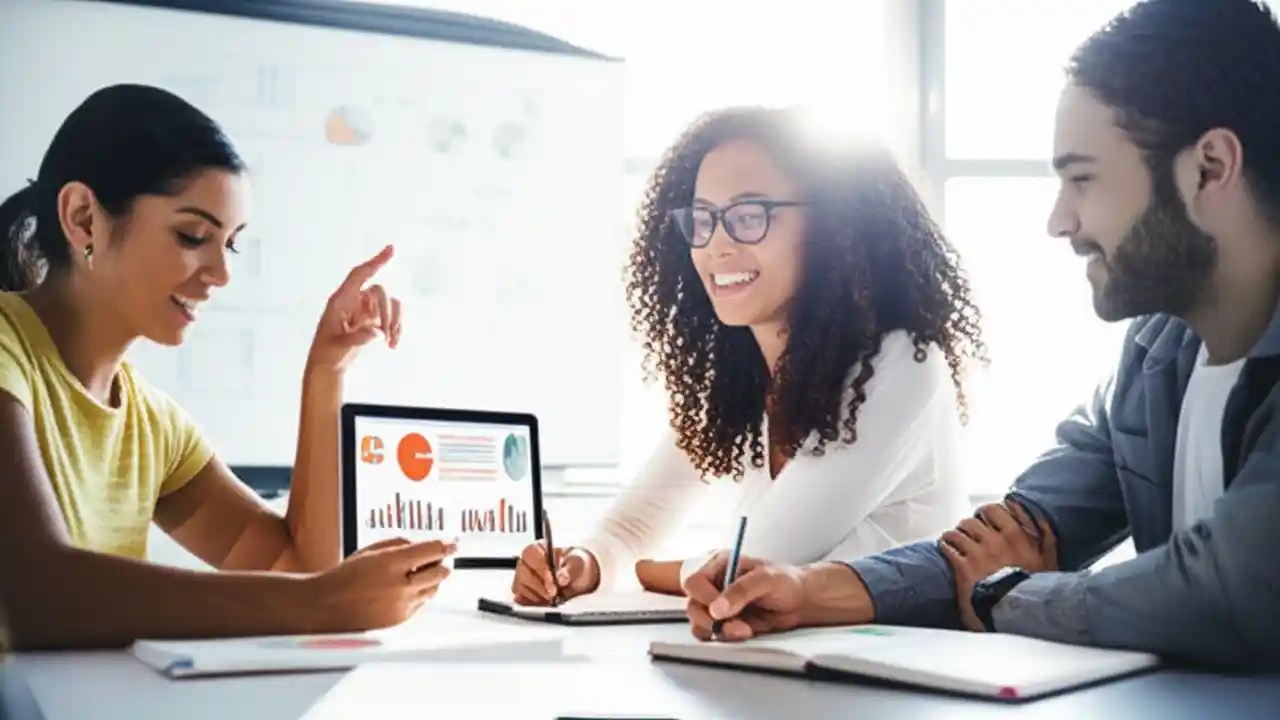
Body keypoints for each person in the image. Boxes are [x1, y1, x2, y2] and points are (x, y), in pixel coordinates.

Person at [681, 0, 1280, 670]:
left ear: (1210, 168)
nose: (1061, 220)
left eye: (1083, 178)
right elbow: (1000, 542)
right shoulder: (1152, 357)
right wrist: (804, 589)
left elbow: (1226, 588)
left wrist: (1012, 598)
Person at [0, 84, 454, 650]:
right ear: (84, 218)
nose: (220, 274)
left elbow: (295, 568)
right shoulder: (8, 349)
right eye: (192, 236)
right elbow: (37, 596)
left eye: (230, 245)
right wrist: (322, 602)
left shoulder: (152, 426)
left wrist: (326, 373)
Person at [511, 106, 986, 604]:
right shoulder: (739, 379)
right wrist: (579, 566)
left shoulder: (902, 363)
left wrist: (646, 570)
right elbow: (633, 527)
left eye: (748, 217)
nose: (716, 244)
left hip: (899, 670)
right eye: (702, 219)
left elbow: (762, 562)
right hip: (782, 666)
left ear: (834, 226)